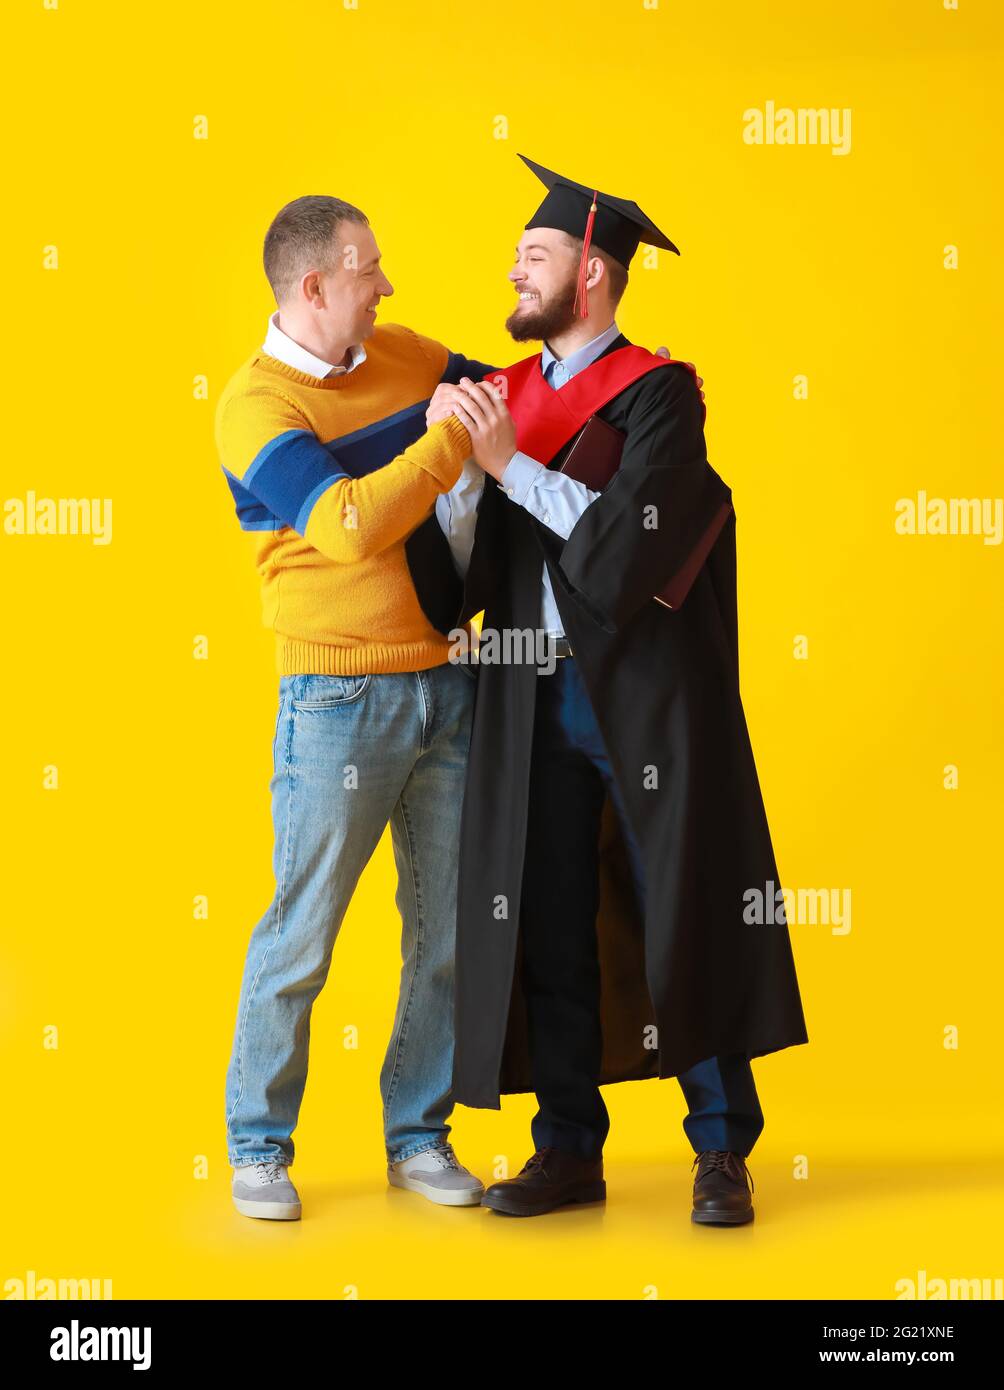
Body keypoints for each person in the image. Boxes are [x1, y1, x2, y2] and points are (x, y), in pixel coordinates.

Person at [430, 155, 809, 1224]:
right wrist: (464, 488)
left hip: (639, 694)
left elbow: (630, 551)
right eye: (516, 255)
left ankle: (720, 1149)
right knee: (545, 913)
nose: (515, 269)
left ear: (589, 274)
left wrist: (507, 469)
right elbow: (462, 577)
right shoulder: (500, 400)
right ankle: (566, 1149)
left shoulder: (658, 394)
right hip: (527, 693)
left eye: (535, 256)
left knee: (678, 901)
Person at [216, 195, 499, 1218]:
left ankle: (418, 1134)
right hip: (334, 698)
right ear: (314, 286)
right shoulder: (253, 407)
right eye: (369, 269)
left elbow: (500, 390)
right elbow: (343, 526)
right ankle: (257, 1146)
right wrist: (442, 444)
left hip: (445, 680)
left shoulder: (405, 353)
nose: (387, 284)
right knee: (303, 932)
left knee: (446, 932)